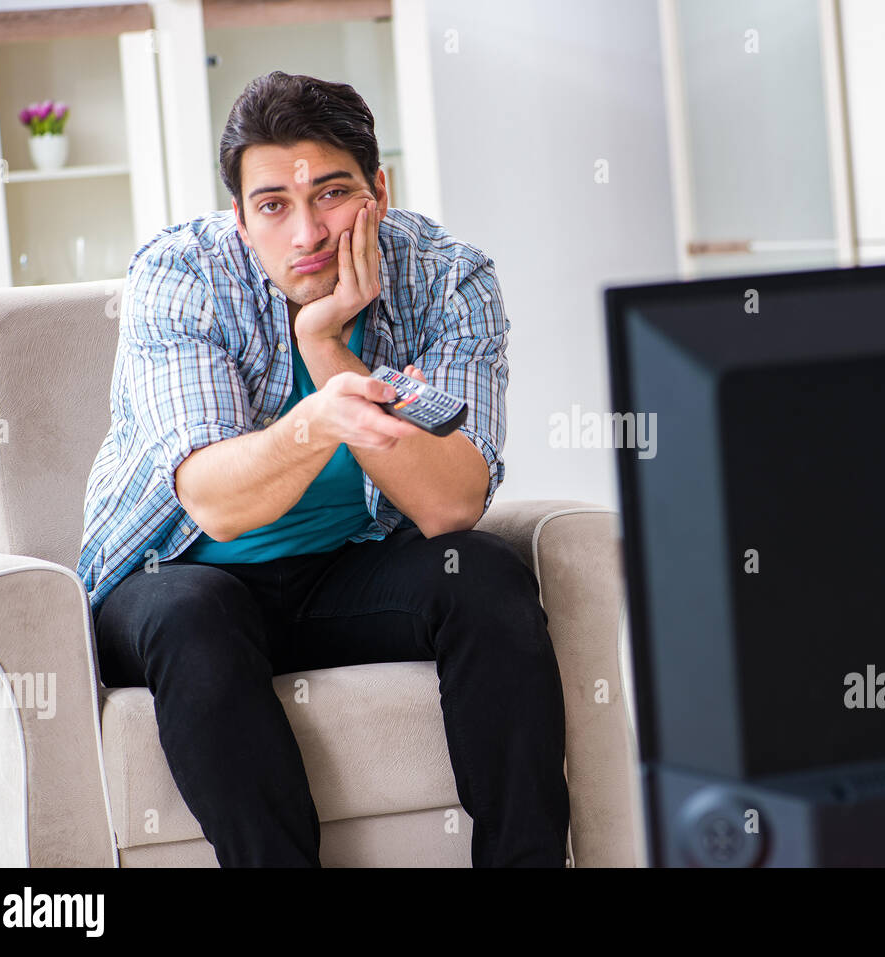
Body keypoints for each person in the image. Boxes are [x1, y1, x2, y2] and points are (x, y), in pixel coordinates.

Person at [75, 71, 569, 867]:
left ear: (380, 188)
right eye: (272, 205)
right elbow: (215, 503)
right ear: (239, 217)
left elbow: (449, 504)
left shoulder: (449, 278)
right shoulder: (180, 276)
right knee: (193, 614)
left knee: (480, 572)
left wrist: (325, 348)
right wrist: (315, 419)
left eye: (332, 194)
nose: (305, 233)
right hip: (178, 573)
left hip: (345, 573)